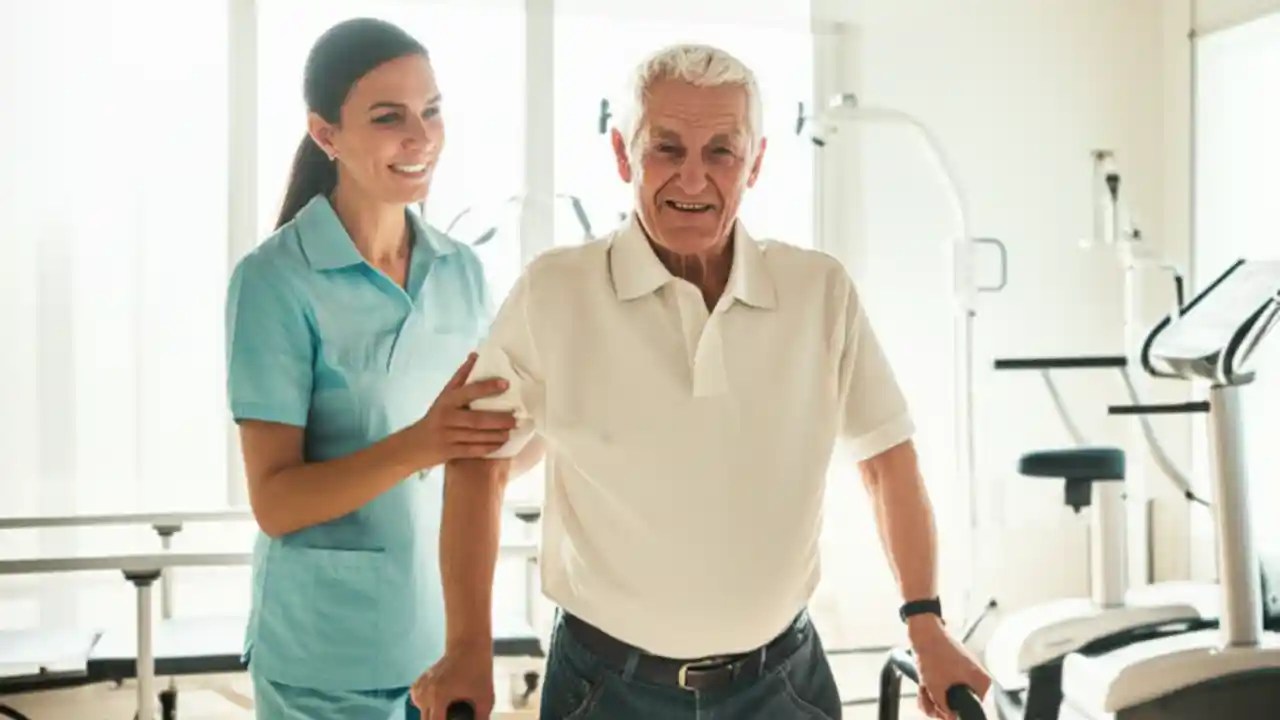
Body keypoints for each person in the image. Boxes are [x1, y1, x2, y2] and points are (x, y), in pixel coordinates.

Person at [410, 42, 992, 720]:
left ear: (756, 162)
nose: (693, 180)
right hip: (607, 691)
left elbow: (886, 457)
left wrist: (925, 621)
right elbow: (480, 461)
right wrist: (467, 647)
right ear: (624, 154)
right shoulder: (555, 291)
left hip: (784, 684)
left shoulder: (818, 291)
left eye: (721, 151)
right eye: (666, 149)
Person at [224, 17, 542, 720]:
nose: (421, 137)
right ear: (325, 133)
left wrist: (560, 416)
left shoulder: (460, 272)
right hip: (323, 660)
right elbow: (275, 502)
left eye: (431, 111)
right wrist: (422, 443)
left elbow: (476, 457)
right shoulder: (276, 281)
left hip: (436, 646)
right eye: (389, 116)